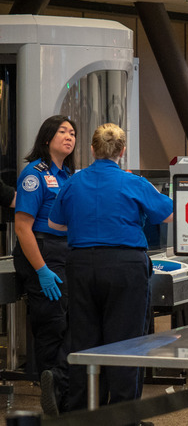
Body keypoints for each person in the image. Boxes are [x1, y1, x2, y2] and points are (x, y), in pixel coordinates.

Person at [48, 123, 173, 412]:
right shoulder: (134, 182)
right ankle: (122, 416)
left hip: (81, 265)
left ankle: (80, 413)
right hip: (125, 266)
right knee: (127, 343)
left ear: (92, 149)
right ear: (122, 152)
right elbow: (167, 214)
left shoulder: (73, 182)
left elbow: (55, 223)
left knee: (83, 342)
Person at [13, 115, 76, 415]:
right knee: (52, 323)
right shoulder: (34, 174)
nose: (69, 136)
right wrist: (41, 270)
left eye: (73, 133)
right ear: (47, 137)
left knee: (69, 323)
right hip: (40, 250)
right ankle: (52, 391)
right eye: (62, 131)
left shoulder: (68, 176)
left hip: (64, 252)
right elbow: (23, 227)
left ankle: (63, 388)